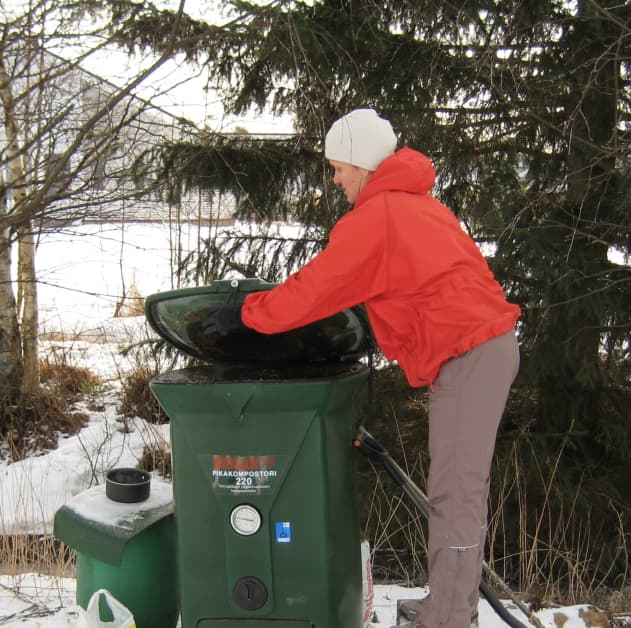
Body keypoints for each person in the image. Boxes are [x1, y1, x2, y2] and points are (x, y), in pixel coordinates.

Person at [202, 108, 521, 628]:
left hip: (471, 355)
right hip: (480, 350)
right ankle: (448, 603)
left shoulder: (379, 218)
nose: (335, 178)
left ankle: (448, 617)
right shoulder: (417, 207)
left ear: (360, 162)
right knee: (456, 490)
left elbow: (315, 289)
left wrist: (245, 314)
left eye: (338, 167)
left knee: (456, 494)